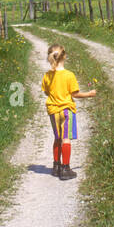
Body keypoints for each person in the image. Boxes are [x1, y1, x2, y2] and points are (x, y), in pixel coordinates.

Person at [41, 44, 96, 180]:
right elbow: (75, 94)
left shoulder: (47, 75)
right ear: (64, 56)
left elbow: (46, 91)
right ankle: (66, 168)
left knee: (57, 138)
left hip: (53, 111)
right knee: (66, 138)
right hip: (66, 111)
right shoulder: (69, 75)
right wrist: (89, 94)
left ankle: (56, 166)